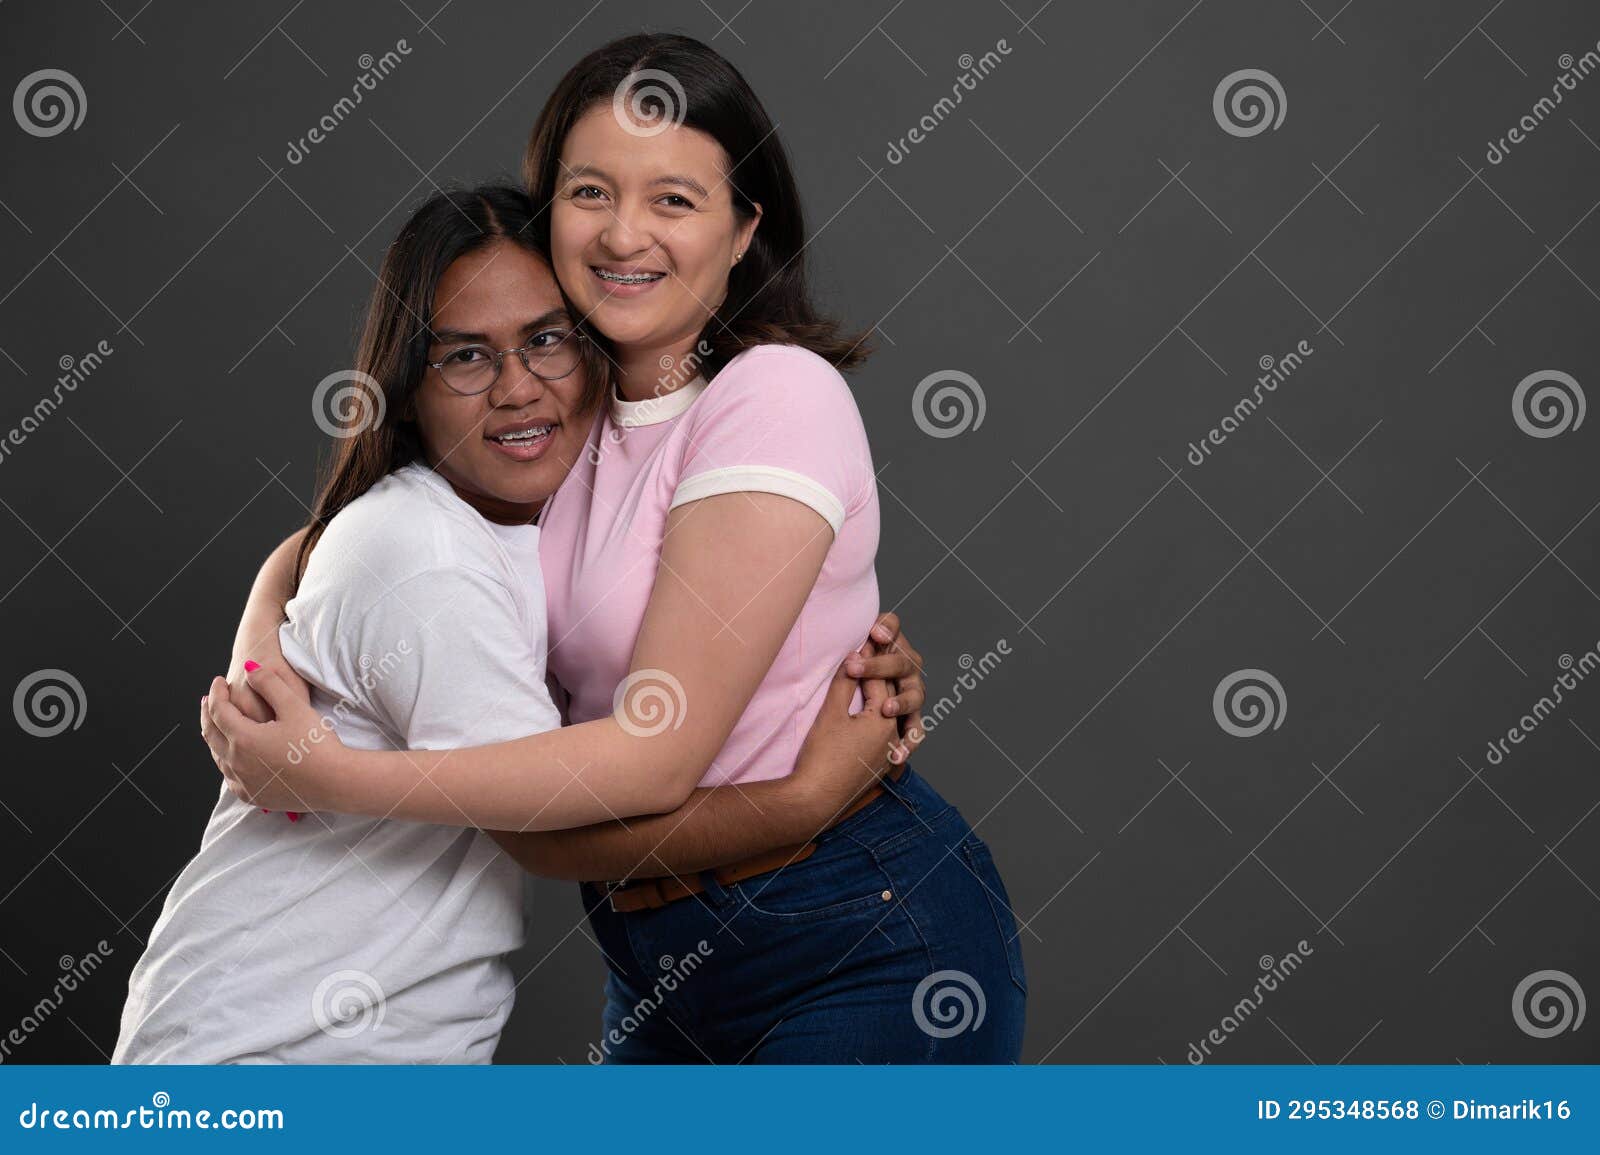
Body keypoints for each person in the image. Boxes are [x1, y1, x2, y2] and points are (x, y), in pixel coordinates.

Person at [206, 32, 1026, 1062]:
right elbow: (351, 535)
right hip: (656, 961)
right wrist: (259, 659)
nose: (624, 233)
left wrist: (323, 775)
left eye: (673, 199)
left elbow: (652, 757)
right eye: (590, 192)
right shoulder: (557, 414)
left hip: (854, 926)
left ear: (744, 229)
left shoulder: (773, 395)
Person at [118, 186, 912, 1064]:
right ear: (407, 390)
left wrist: (837, 646)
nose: (518, 388)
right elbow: (550, 830)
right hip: (270, 1053)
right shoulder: (429, 553)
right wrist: (806, 799)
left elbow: (307, 547)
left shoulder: (528, 527)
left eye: (547, 340)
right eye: (465, 356)